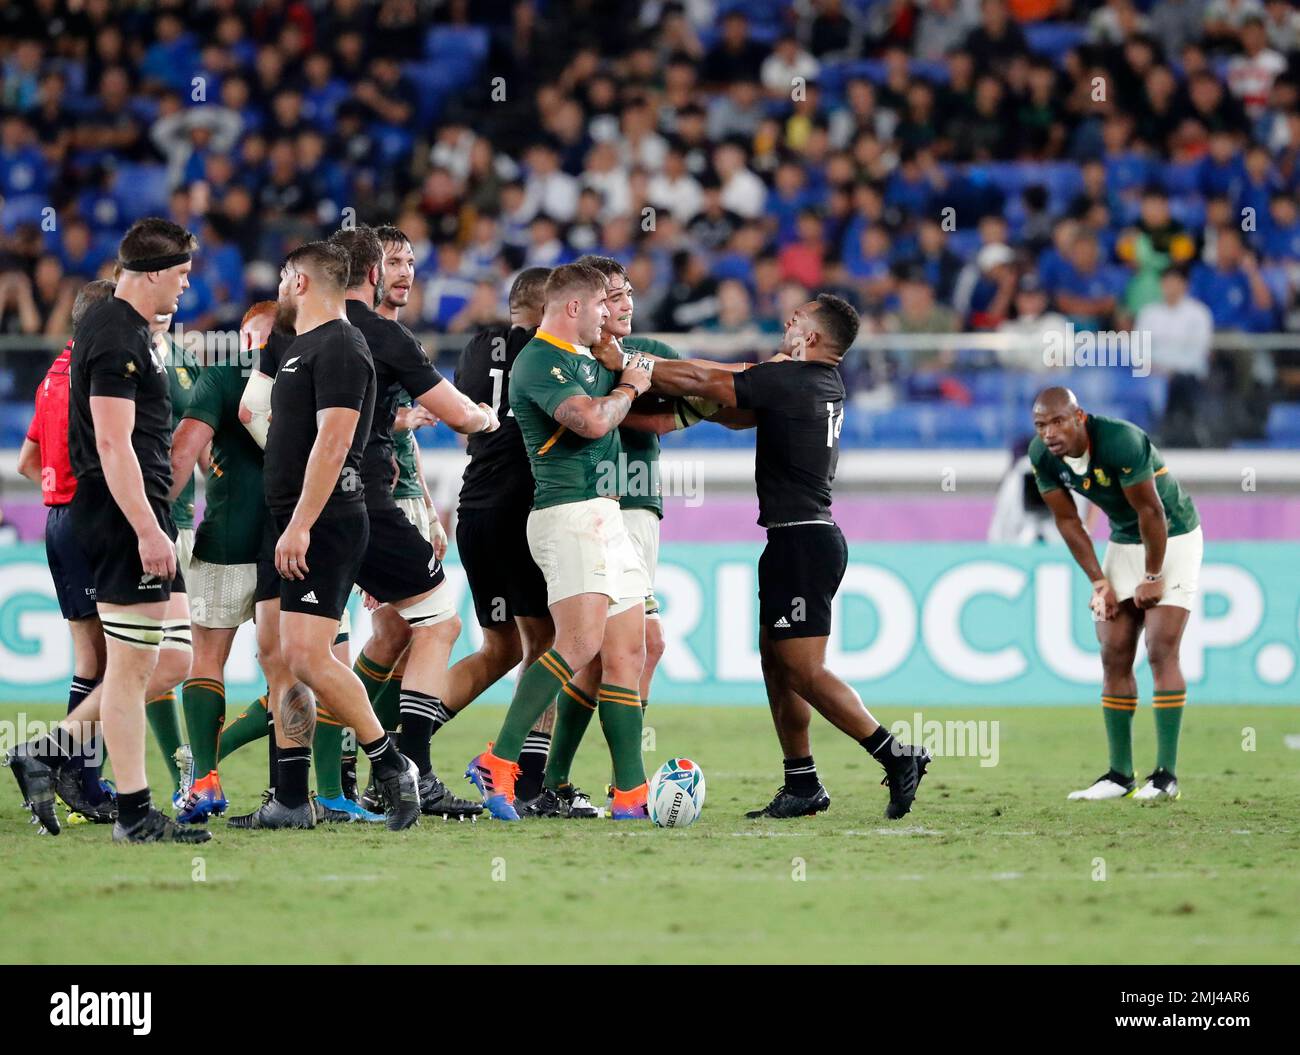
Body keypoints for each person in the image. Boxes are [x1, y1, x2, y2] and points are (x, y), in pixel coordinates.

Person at [630, 294, 931, 820]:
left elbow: (706, 381)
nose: (787, 322)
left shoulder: (796, 378)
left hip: (803, 543)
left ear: (812, 339)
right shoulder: (813, 383)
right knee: (777, 664)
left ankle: (896, 754)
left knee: (803, 669)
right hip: (793, 540)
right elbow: (731, 410)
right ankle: (802, 783)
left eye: (797, 319)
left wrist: (633, 365)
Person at [6, 217, 210, 843]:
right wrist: (149, 530)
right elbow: (114, 445)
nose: (185, 288)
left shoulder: (129, 329)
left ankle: (46, 750)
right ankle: (133, 812)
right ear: (150, 275)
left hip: (130, 514)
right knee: (125, 670)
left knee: (165, 659)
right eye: (180, 276)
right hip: (124, 519)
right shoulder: (118, 332)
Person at [231, 239, 421, 831]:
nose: (281, 284)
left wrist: (300, 524)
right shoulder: (302, 346)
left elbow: (335, 442)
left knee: (310, 658)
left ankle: (391, 765)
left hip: (323, 523)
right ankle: (291, 798)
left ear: (302, 281)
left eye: (286, 274)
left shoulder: (340, 344)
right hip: (296, 521)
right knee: (290, 657)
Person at [465, 262, 656, 821]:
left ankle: (631, 795)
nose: (610, 316)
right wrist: (629, 385)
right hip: (568, 515)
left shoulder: (586, 356)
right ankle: (498, 761)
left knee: (629, 652)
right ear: (574, 307)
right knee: (576, 644)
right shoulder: (540, 361)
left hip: (607, 517)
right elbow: (592, 423)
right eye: (603, 305)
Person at [329, 224, 491, 819]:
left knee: (312, 647)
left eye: (411, 263)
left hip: (310, 505)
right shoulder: (385, 337)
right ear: (371, 271)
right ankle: (404, 769)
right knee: (433, 622)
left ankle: (307, 784)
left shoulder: (305, 330)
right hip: (363, 502)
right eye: (392, 261)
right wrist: (489, 421)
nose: (403, 272)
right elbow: (457, 416)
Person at [1030, 387, 1202, 802]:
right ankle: (1120, 775)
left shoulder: (1122, 440)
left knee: (1161, 649)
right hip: (1123, 542)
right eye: (1040, 425)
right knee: (1114, 651)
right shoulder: (1042, 456)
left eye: (1057, 422)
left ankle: (1165, 777)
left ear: (1079, 418)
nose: (1049, 433)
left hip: (1172, 537)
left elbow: (1151, 512)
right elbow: (1069, 521)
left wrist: (1153, 575)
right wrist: (1099, 583)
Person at [439, 266, 559, 805]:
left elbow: (463, 419)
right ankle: (528, 779)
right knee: (550, 643)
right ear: (546, 307)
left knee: (502, 646)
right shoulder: (550, 353)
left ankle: (400, 746)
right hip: (522, 511)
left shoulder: (474, 347)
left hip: (476, 507)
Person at [14, 278, 116, 823]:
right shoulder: (94, 375)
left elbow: (29, 460)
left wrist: (59, 496)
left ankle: (75, 777)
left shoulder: (55, 372)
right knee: (121, 659)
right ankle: (75, 774)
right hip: (90, 520)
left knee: (92, 659)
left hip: (61, 519)